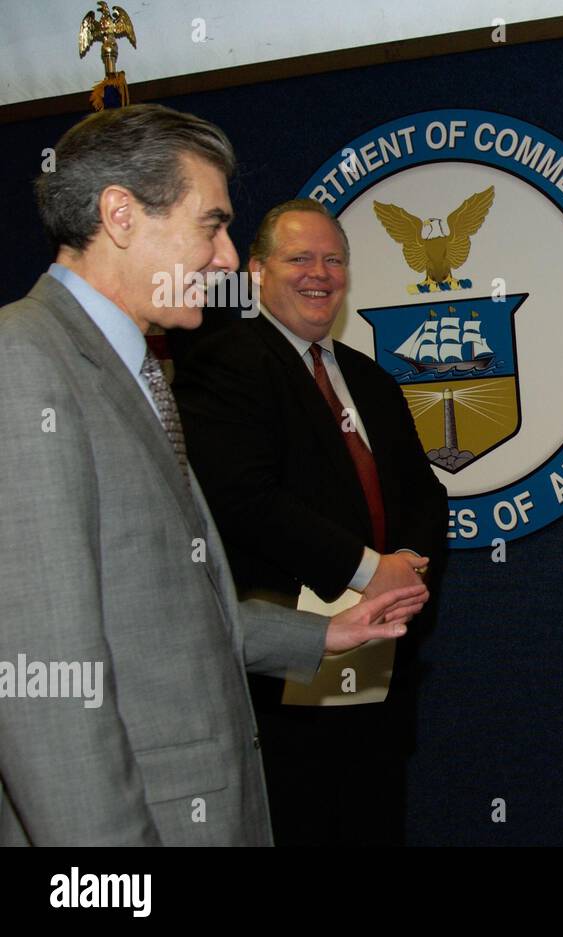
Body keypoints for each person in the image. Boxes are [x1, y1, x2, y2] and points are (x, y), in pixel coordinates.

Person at [0, 104, 427, 846]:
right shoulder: (24, 364)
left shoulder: (133, 368)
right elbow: (44, 689)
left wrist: (321, 635)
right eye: (212, 225)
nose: (228, 258)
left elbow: (167, 609)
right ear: (121, 214)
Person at [172, 199, 448, 846]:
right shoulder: (226, 362)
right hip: (281, 686)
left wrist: (408, 572)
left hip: (380, 680)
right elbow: (243, 498)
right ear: (259, 270)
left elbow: (425, 496)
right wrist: (370, 571)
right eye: (300, 258)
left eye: (334, 259)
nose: (319, 272)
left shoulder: (373, 380)